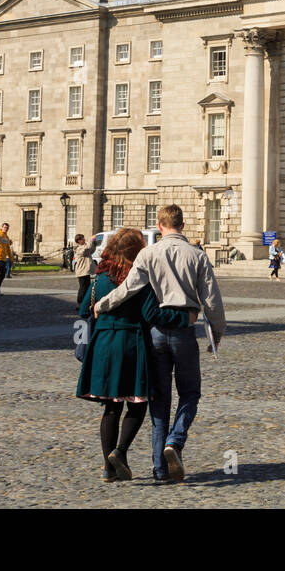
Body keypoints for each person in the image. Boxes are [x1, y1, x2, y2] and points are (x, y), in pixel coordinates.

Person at [94, 204, 225, 484]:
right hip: (184, 332)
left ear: (160, 225)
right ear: (183, 225)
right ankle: (174, 442)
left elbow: (127, 289)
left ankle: (159, 469)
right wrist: (217, 333)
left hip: (156, 333)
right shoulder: (197, 256)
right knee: (190, 393)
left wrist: (102, 304)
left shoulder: (148, 253)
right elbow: (212, 301)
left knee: (159, 400)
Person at [78, 228, 195, 482]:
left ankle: (109, 469)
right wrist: (185, 317)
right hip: (131, 344)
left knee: (110, 407)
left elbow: (84, 310)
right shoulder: (138, 280)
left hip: (103, 344)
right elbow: (154, 315)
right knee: (137, 404)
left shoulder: (98, 280)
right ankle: (119, 452)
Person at [72, 233, 93, 305]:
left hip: (86, 270)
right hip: (81, 271)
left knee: (87, 287)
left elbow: (91, 250)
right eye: (82, 238)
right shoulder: (79, 248)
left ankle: (85, 302)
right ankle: (79, 303)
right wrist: (91, 240)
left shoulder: (84, 246)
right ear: (79, 241)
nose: (84, 239)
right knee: (83, 288)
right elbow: (87, 249)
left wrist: (94, 243)